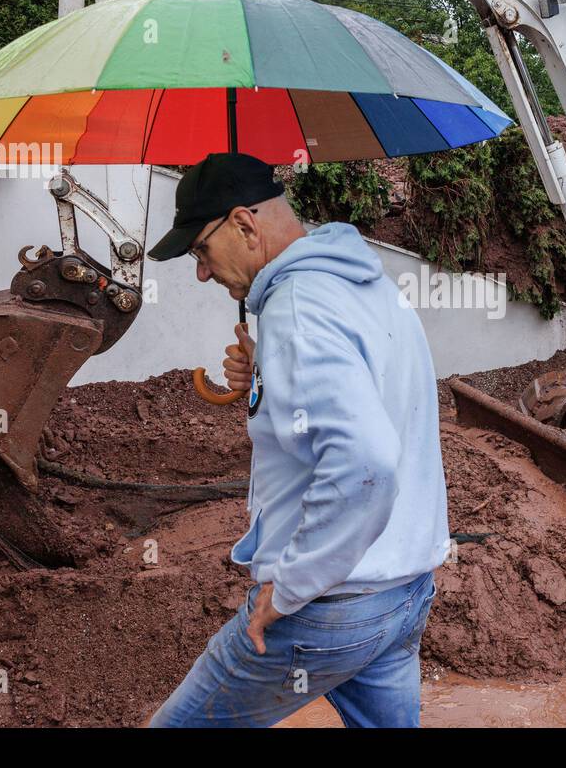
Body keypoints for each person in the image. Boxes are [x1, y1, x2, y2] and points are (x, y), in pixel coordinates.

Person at [145, 153, 448, 728]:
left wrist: (289, 590)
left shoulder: (295, 308)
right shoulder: (363, 283)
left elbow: (367, 464)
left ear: (244, 224)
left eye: (200, 251)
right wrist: (269, 369)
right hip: (403, 592)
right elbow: (371, 390)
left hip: (328, 607)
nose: (202, 273)